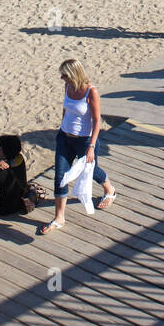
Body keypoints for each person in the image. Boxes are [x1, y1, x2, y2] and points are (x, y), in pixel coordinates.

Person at [40, 59, 117, 234]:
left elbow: (97, 121)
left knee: (90, 170)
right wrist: (62, 127)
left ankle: (109, 189)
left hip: (84, 140)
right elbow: (66, 109)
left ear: (74, 74)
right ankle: (59, 217)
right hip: (64, 137)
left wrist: (91, 146)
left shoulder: (91, 92)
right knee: (61, 175)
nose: (62, 78)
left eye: (64, 75)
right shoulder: (68, 87)